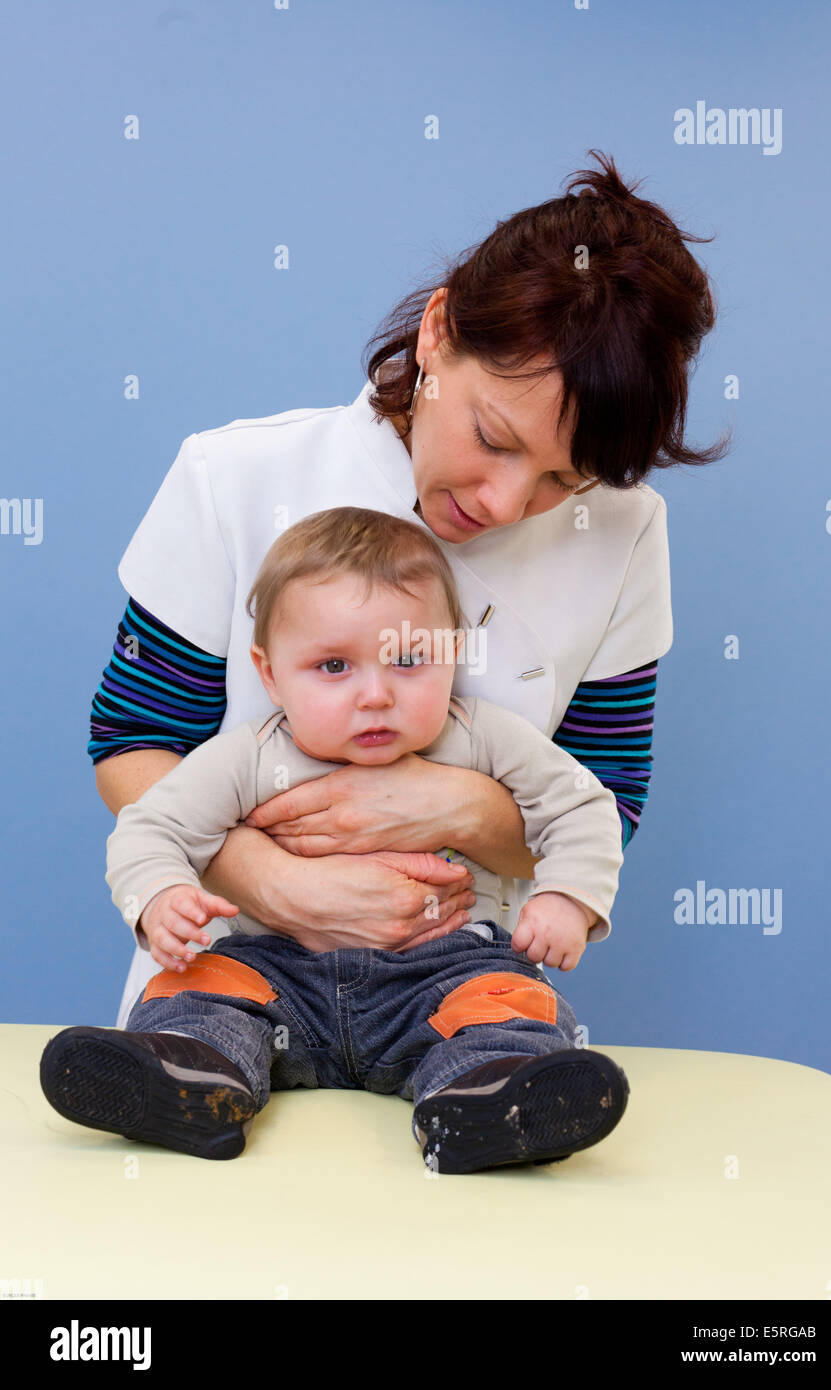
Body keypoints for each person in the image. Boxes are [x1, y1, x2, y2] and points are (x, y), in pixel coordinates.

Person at [87, 150, 727, 1030]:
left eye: (561, 480)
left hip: (449, 992)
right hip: (235, 969)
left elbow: (607, 803)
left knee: (490, 1070)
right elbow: (134, 740)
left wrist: (457, 803)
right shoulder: (233, 476)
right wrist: (279, 883)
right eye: (493, 438)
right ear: (437, 334)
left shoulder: (624, 528)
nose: (505, 503)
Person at [43, 507, 632, 1173]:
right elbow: (150, 823)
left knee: (505, 1003)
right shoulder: (249, 757)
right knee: (200, 992)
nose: (375, 694)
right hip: (276, 971)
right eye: (332, 666)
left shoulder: (484, 738)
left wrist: (566, 898)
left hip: (441, 972)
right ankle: (189, 1077)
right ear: (270, 674)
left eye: (410, 659)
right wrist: (160, 893)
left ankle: (484, 1101)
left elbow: (586, 807)